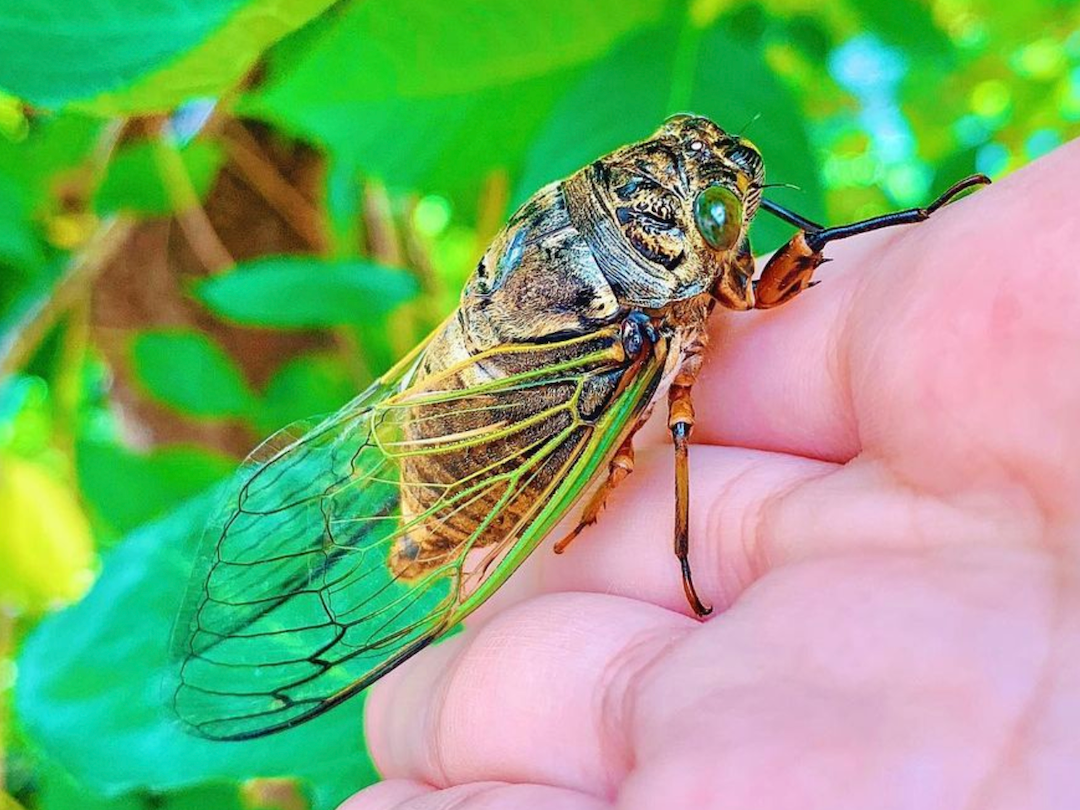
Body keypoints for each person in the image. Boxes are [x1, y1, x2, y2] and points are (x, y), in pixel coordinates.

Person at [343, 141, 1080, 810]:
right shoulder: (653, 314)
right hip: (496, 450)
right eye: (724, 213)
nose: (742, 221)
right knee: (669, 424)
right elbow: (682, 416)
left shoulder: (634, 242)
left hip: (466, 383)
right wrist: (682, 555)